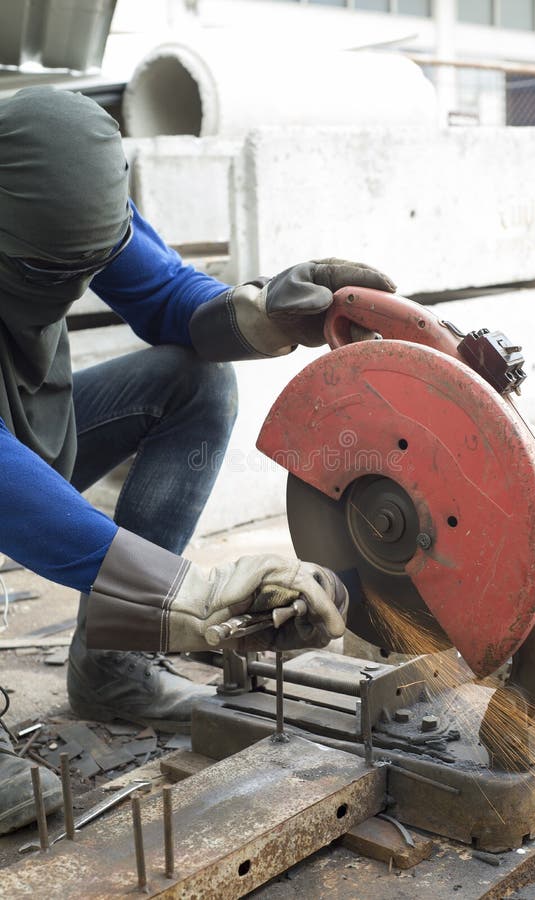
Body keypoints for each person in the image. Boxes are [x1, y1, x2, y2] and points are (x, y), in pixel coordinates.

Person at [0, 86, 396, 834]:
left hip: (24, 423)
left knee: (191, 382)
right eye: (46, 272)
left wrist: (264, 314)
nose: (68, 289)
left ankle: (113, 670)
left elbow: (162, 296)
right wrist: (192, 592)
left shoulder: (67, 202)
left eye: (84, 266)